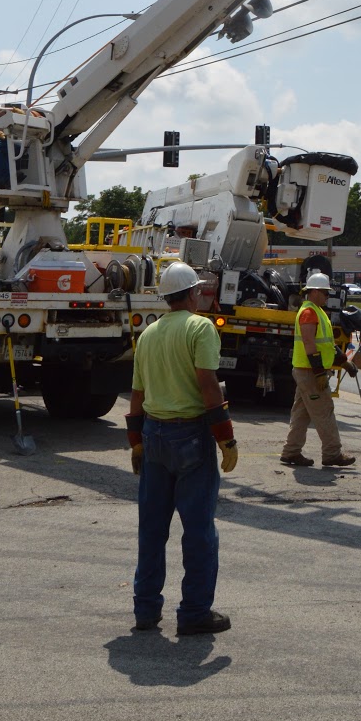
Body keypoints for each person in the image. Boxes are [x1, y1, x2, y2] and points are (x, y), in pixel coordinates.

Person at [127, 261, 237, 636]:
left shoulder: (149, 334)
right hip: (191, 436)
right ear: (192, 293)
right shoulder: (200, 327)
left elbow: (137, 395)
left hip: (154, 435)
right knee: (199, 532)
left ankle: (145, 611)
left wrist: (136, 442)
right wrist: (225, 437)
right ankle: (193, 614)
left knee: (152, 530)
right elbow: (208, 384)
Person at [280, 273, 356, 468]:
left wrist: (343, 361)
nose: (326, 296)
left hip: (307, 371)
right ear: (313, 292)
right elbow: (309, 343)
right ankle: (332, 453)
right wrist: (319, 372)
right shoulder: (309, 313)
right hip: (310, 372)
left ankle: (291, 452)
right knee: (324, 411)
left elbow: (327, 344)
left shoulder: (317, 311)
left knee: (301, 413)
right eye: (323, 292)